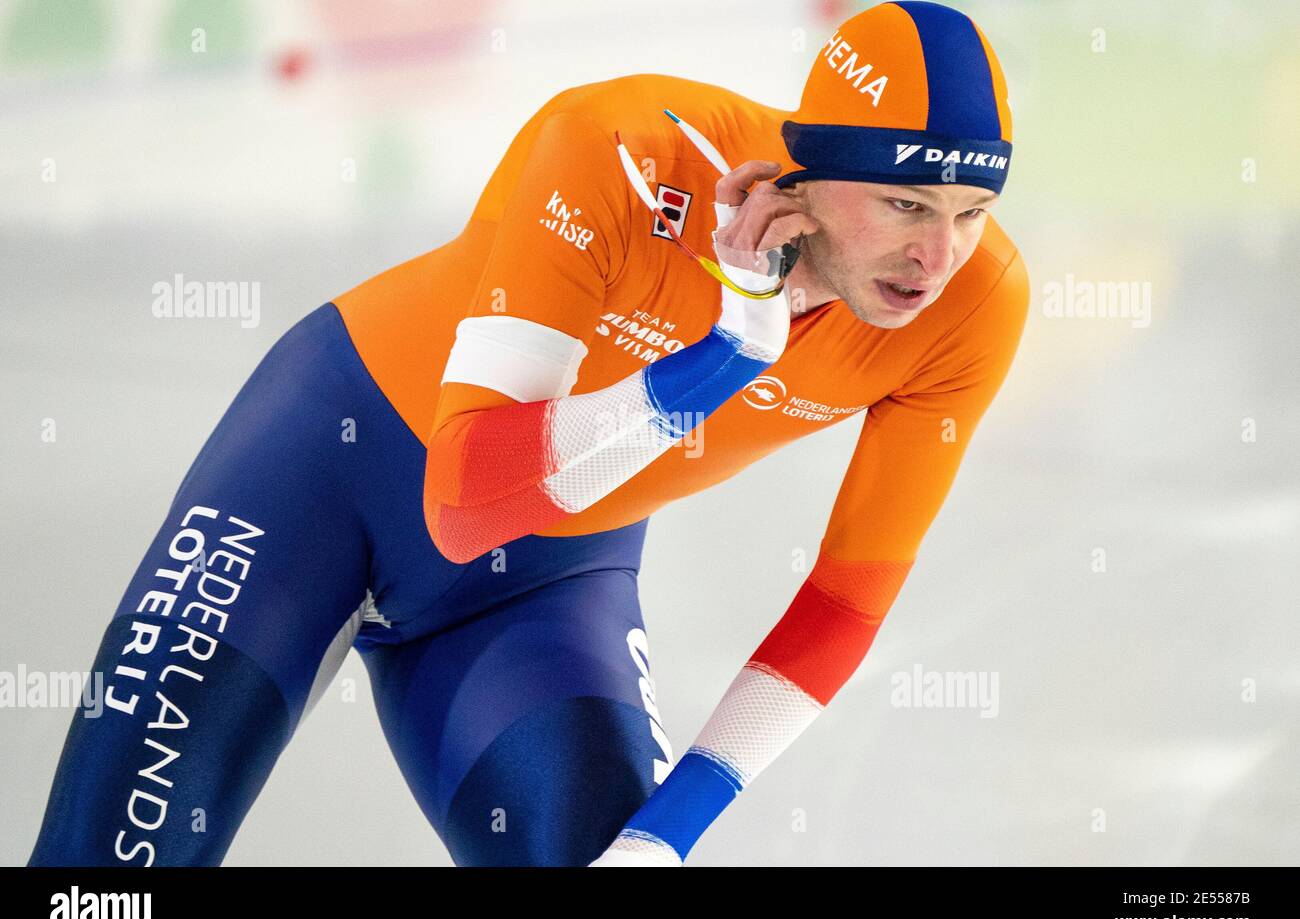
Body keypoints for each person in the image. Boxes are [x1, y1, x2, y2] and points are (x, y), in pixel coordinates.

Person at [28, 0, 1027, 867]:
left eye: (972, 212)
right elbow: (464, 502)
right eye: (906, 204)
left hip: (543, 577)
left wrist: (664, 832)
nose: (936, 256)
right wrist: (724, 355)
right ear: (805, 174)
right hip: (317, 479)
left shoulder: (973, 307)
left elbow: (842, 606)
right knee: (101, 886)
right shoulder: (623, 146)